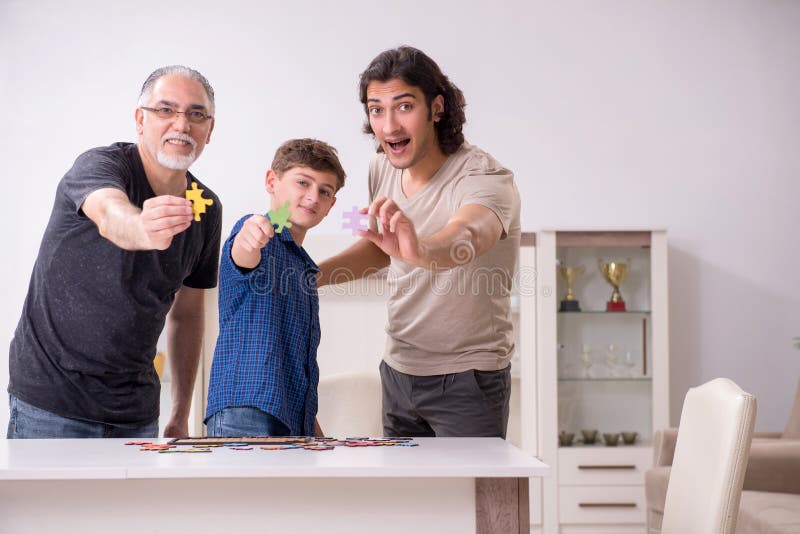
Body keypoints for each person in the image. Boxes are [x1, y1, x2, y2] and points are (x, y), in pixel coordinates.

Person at [7, 65, 222, 439]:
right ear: (140, 119)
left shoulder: (205, 208)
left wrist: (181, 413)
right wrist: (143, 227)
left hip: (136, 413)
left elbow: (187, 315)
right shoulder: (101, 165)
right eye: (166, 110)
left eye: (196, 114)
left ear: (209, 130)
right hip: (52, 402)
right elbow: (109, 214)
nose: (182, 124)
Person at [318, 46, 521, 438]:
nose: (389, 125)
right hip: (399, 371)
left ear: (437, 108)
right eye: (377, 110)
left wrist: (420, 249)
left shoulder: (484, 177)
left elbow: (468, 235)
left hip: (468, 379)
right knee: (405, 482)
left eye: (404, 106)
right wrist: (311, 275)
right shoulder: (382, 166)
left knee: (469, 482)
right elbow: (380, 249)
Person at [205, 138, 346, 437]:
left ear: (331, 205)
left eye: (324, 191)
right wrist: (250, 235)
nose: (313, 196)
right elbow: (244, 251)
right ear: (272, 181)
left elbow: (294, 368)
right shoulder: (259, 233)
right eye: (302, 183)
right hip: (245, 412)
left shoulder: (303, 269)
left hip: (289, 417)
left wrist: (314, 432)